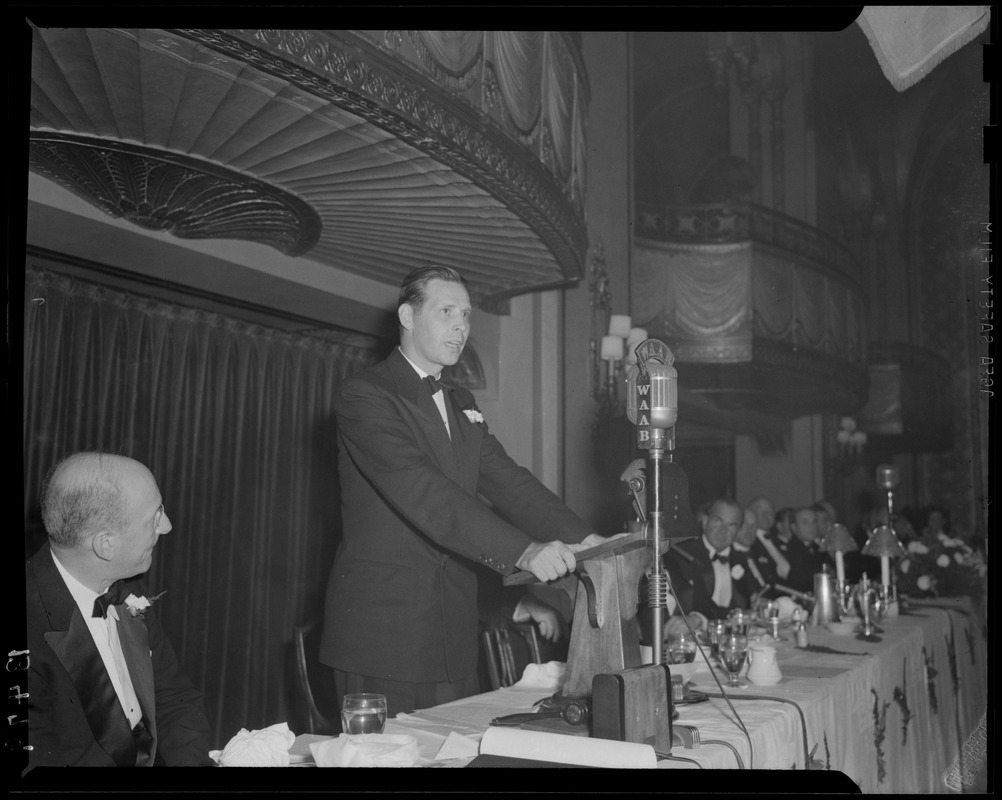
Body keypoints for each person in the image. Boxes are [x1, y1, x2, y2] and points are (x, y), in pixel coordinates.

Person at [320, 265, 602, 716]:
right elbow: (425, 492)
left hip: (452, 636)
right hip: (384, 636)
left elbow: (509, 481)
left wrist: (587, 539)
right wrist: (524, 551)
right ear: (408, 316)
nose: (461, 326)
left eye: (466, 314)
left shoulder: (461, 403)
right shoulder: (365, 395)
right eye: (446, 311)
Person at [25, 452, 213, 767]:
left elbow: (174, 700)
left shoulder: (127, 586)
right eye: (154, 517)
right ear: (106, 545)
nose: (166, 526)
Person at [658, 498, 760, 621]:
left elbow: (754, 595)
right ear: (705, 521)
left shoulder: (739, 558)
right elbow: (696, 605)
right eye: (718, 521)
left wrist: (758, 601)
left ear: (738, 530)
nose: (723, 530)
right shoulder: (682, 555)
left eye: (731, 525)